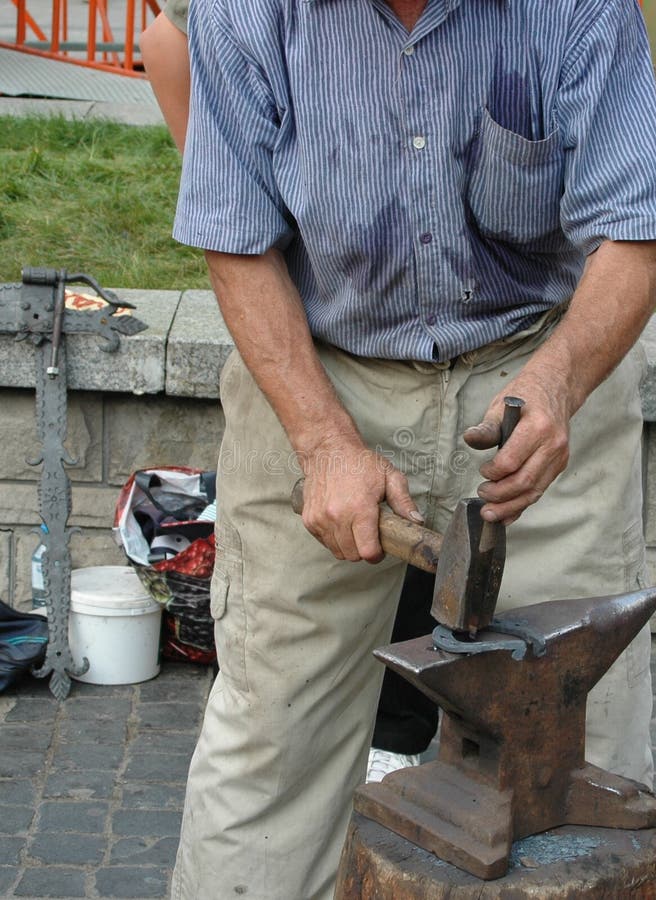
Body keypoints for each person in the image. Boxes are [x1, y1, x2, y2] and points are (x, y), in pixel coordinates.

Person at [157, 0, 656, 896]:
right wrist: (323, 442)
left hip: (540, 356)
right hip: (319, 362)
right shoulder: (245, 10)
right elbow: (236, 243)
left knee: (578, 746)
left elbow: (633, 234)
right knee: (271, 737)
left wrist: (554, 387)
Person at [141, 0, 440, 783]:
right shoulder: (243, 16)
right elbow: (167, 39)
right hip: (318, 326)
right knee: (330, 534)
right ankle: (372, 738)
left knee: (416, 537)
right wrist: (230, 194)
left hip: (476, 325)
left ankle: (399, 732)